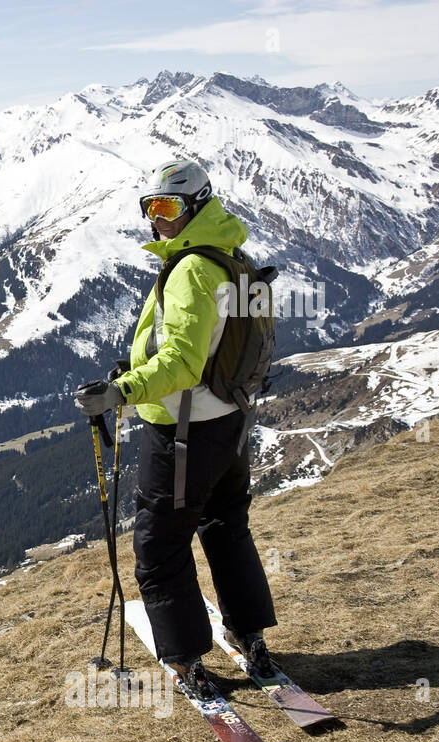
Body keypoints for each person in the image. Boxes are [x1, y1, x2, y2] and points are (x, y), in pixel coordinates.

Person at [73, 160, 276, 699]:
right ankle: (248, 633)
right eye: (150, 208)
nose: (156, 220)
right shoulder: (232, 256)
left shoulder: (190, 269)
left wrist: (123, 391)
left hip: (184, 430)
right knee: (226, 525)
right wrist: (136, 369)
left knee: (160, 545)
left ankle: (186, 659)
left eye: (166, 208)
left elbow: (184, 362)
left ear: (197, 206)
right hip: (230, 421)